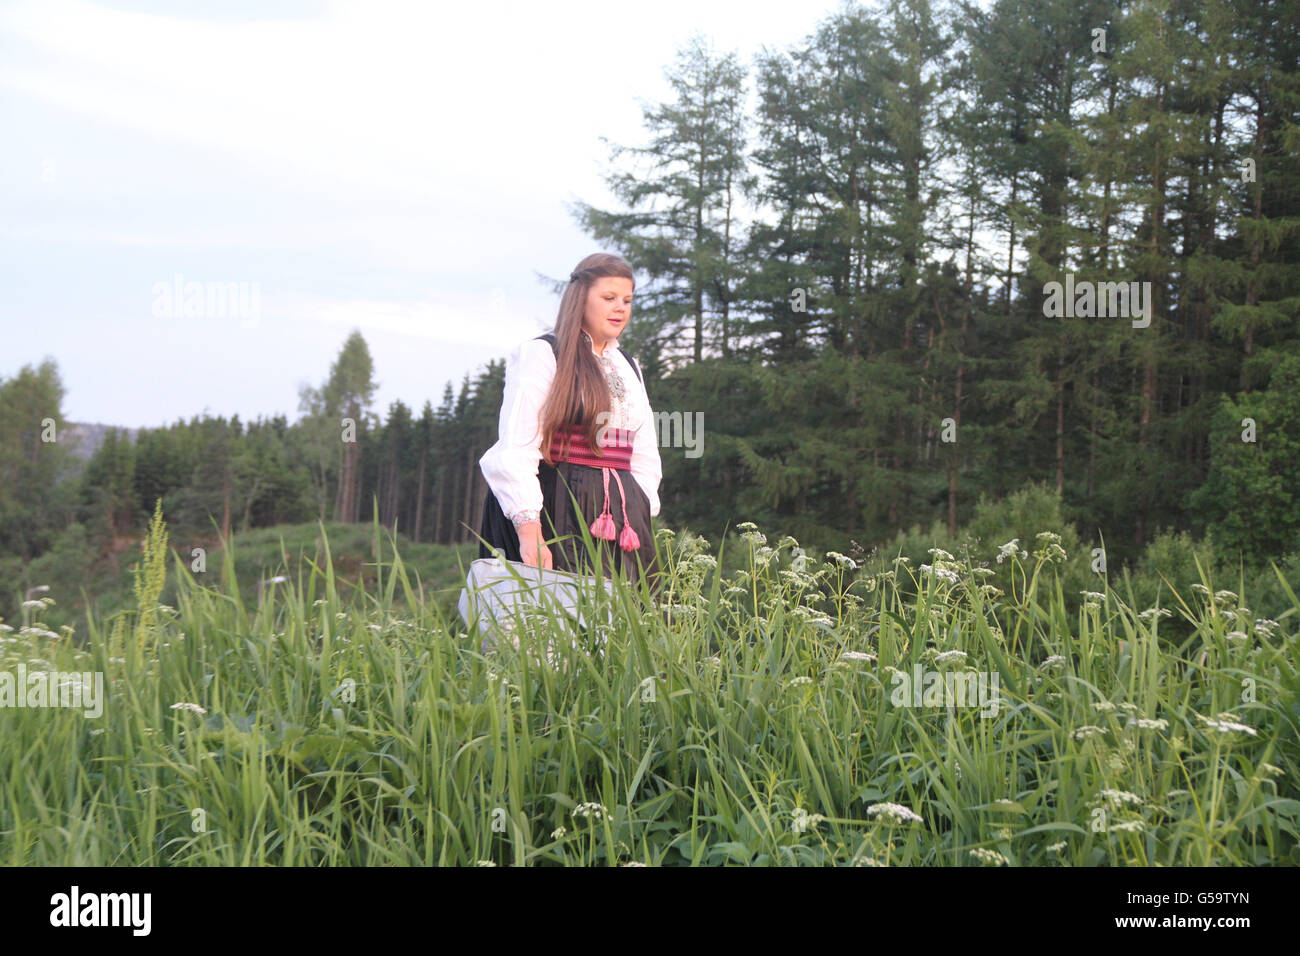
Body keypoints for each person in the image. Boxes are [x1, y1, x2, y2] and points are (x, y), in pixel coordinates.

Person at [477, 252, 662, 595]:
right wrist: (529, 529)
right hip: (558, 502)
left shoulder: (629, 366)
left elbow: (645, 453)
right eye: (609, 298)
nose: (620, 308)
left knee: (627, 624)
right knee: (551, 620)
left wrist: (638, 505)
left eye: (627, 300)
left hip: (623, 519)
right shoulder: (544, 354)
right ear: (581, 298)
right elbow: (516, 446)